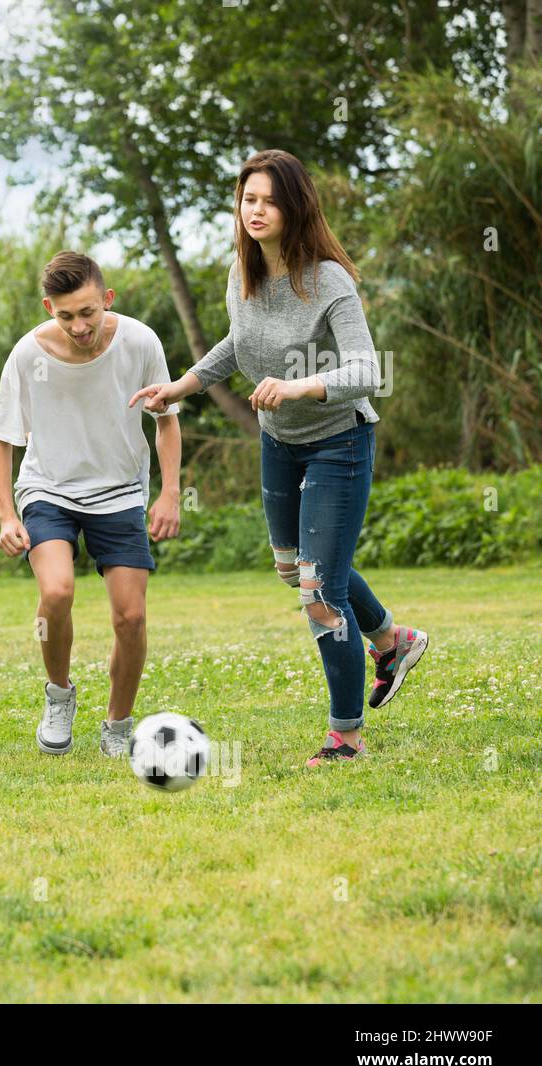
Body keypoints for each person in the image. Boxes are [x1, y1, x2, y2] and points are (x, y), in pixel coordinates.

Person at [130, 148, 428, 766]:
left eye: (268, 200)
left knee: (320, 591)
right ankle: (391, 641)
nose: (255, 210)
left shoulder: (329, 282)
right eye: (248, 199)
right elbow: (240, 345)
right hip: (279, 444)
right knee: (297, 571)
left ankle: (345, 736)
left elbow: (368, 371)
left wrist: (297, 385)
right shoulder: (244, 275)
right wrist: (181, 386)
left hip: (338, 444)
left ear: (293, 207)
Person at [0, 251, 182, 757]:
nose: (78, 326)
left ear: (107, 300)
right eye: (65, 315)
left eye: (88, 312)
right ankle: (58, 695)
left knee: (131, 618)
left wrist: (169, 491)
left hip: (119, 491)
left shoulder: (140, 341)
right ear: (49, 307)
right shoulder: (27, 355)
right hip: (48, 488)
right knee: (55, 592)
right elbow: (1, 437)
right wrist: (7, 514)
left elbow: (165, 420)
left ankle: (118, 725)